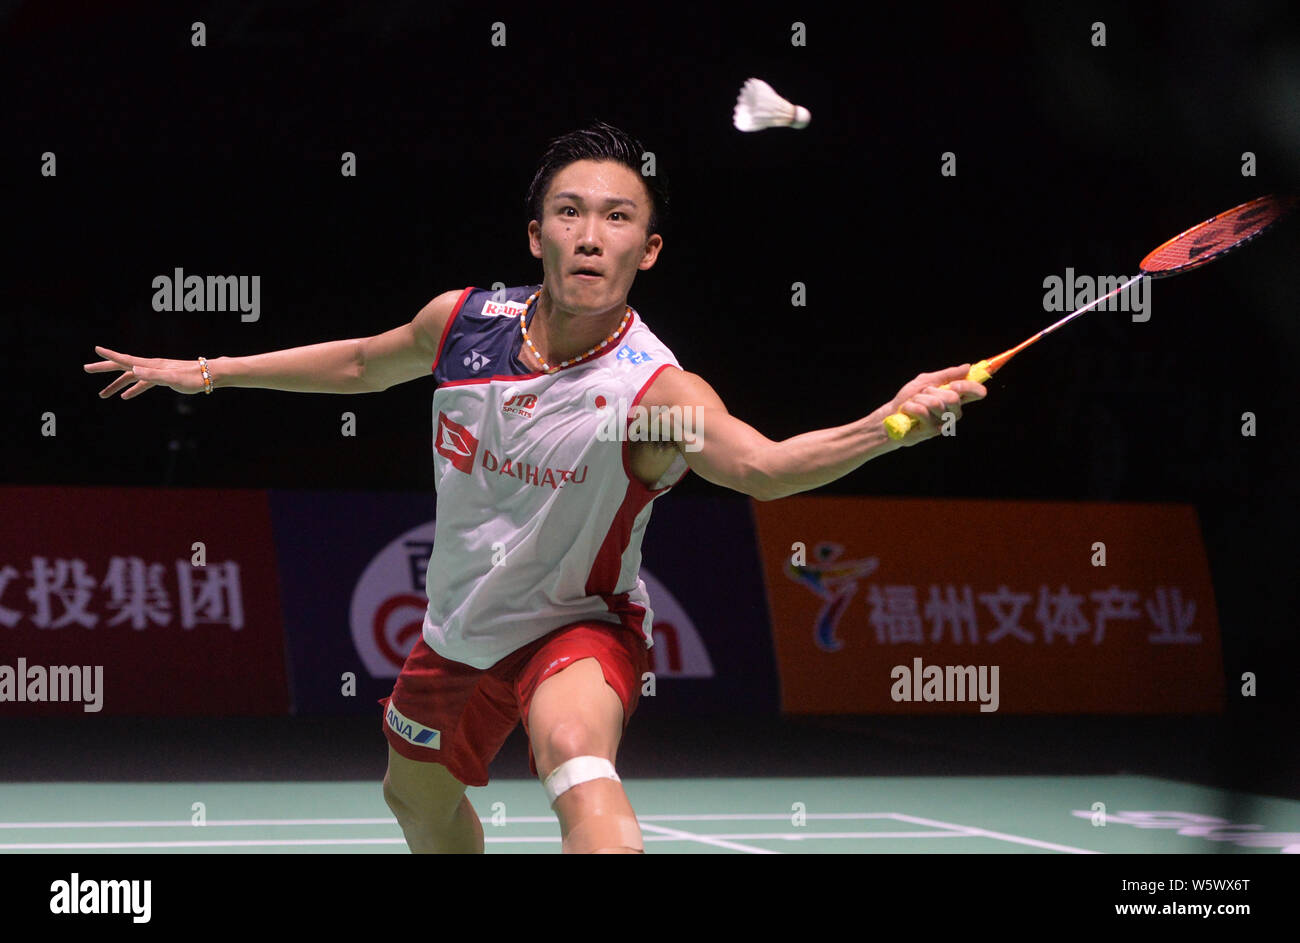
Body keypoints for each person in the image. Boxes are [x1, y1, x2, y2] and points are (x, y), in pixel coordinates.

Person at [84, 121, 986, 853]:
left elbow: (763, 467)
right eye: (570, 211)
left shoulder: (650, 396)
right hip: (459, 632)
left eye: (618, 217)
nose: (592, 234)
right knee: (416, 803)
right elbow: (362, 364)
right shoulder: (463, 325)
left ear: (650, 247)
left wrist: (894, 421)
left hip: (578, 622)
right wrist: (208, 370)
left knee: (575, 756)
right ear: (536, 234)